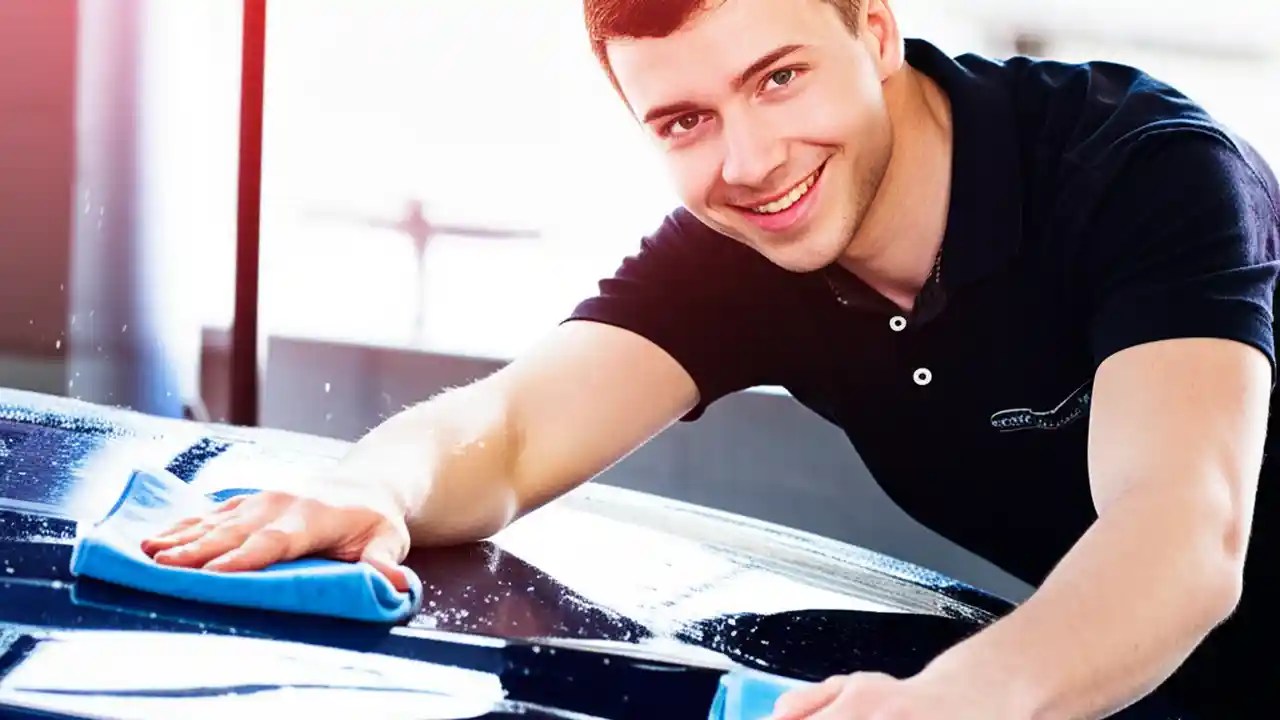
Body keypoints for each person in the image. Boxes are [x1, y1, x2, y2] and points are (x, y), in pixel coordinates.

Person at [141, 0, 1279, 716]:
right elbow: (515, 428)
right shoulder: (754, 242)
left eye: (778, 76)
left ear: (872, 30)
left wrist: (947, 705)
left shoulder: (1143, 174)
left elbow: (1177, 531)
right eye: (682, 121)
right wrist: (366, 487)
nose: (750, 161)